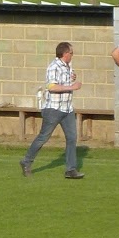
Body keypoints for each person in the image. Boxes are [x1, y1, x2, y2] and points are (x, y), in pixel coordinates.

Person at [22, 41, 83, 179]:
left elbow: (64, 81)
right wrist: (72, 87)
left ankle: (70, 170)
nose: (72, 56)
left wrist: (72, 77)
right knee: (43, 137)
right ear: (65, 53)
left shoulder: (68, 66)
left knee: (72, 138)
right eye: (71, 53)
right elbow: (51, 87)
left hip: (67, 109)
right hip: (53, 109)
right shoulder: (53, 67)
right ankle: (26, 161)